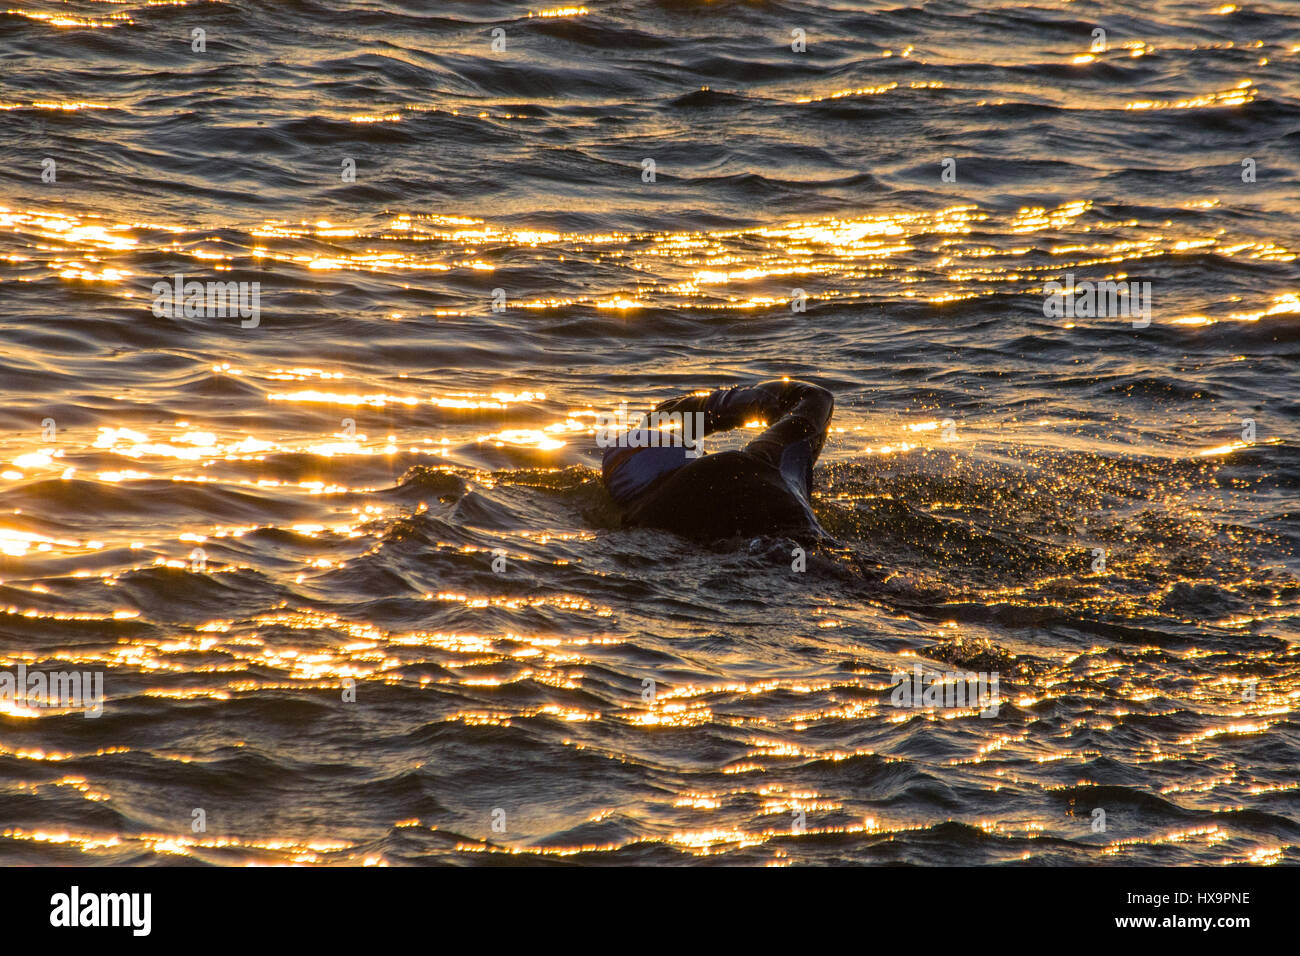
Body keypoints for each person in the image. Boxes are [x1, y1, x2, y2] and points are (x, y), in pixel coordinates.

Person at [600, 380, 834, 539]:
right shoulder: (757, 461)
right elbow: (814, 398)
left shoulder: (640, 519)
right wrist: (702, 408)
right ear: (689, 450)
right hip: (802, 539)